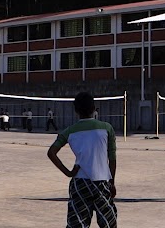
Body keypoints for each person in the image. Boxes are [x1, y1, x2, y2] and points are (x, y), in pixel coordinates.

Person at [48, 92, 118, 228]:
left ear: (76, 110)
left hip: (80, 183)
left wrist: (68, 172)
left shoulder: (70, 131)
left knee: (77, 223)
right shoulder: (107, 128)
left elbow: (51, 152)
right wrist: (112, 182)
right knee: (108, 223)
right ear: (94, 108)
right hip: (102, 182)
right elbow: (112, 158)